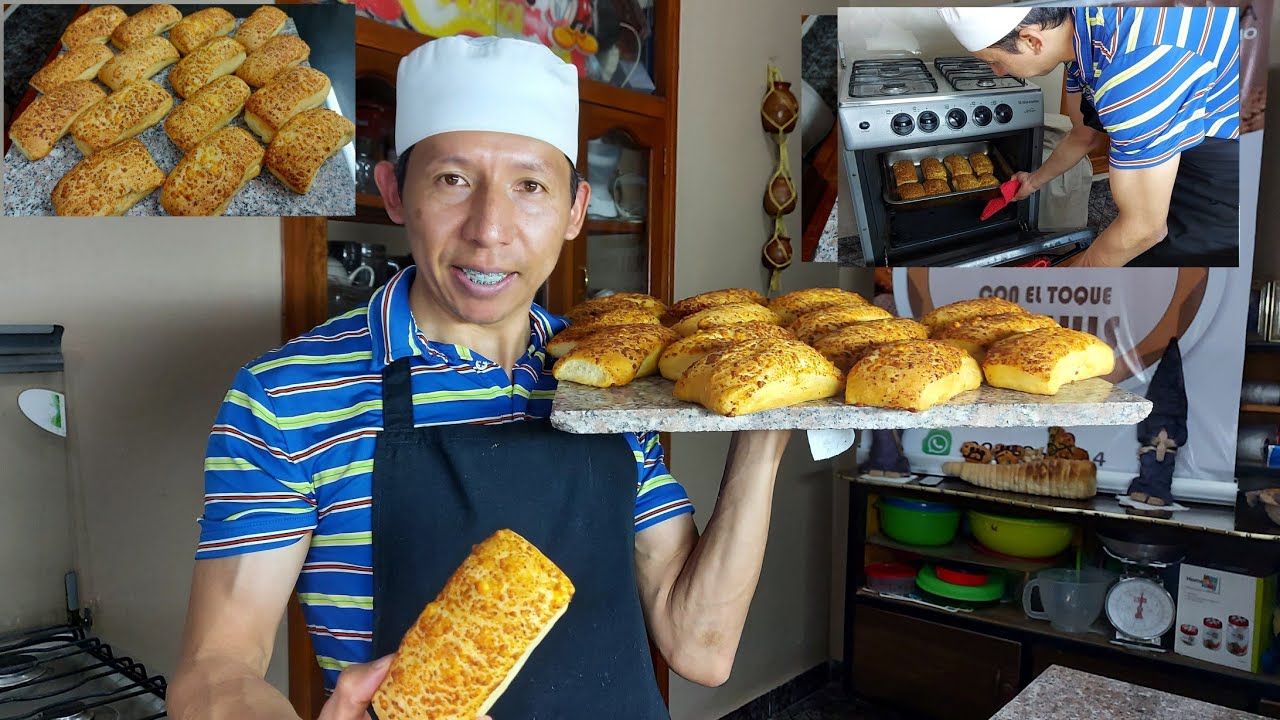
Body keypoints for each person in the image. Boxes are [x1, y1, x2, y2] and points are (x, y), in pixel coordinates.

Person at [167, 35, 794, 720]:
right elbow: (217, 666)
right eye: (453, 180)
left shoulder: (606, 381)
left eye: (530, 186)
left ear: (575, 211)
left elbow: (699, 647)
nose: (490, 230)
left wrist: (766, 435)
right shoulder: (284, 396)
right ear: (393, 192)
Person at [939, 7, 1241, 267]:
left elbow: (1144, 228)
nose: (998, 72)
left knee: (1179, 255)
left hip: (1226, 138)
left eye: (995, 61)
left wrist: (1063, 286)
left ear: (1032, 40)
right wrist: (1033, 181)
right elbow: (1084, 134)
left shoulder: (1132, 72)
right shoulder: (1079, 33)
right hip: (1173, 109)